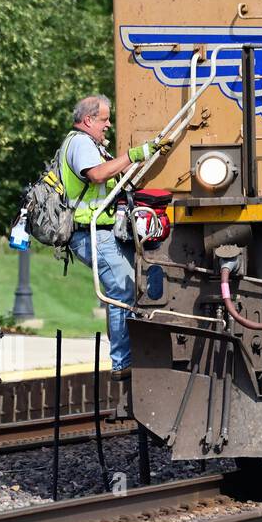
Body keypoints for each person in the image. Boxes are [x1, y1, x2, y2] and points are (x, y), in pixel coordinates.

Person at [60, 95, 165, 381]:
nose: (108, 125)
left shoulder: (90, 144)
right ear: (88, 120)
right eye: (104, 119)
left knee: (137, 285)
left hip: (102, 233)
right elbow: (95, 175)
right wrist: (133, 155)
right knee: (121, 292)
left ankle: (136, 352)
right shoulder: (80, 143)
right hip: (91, 234)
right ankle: (122, 362)